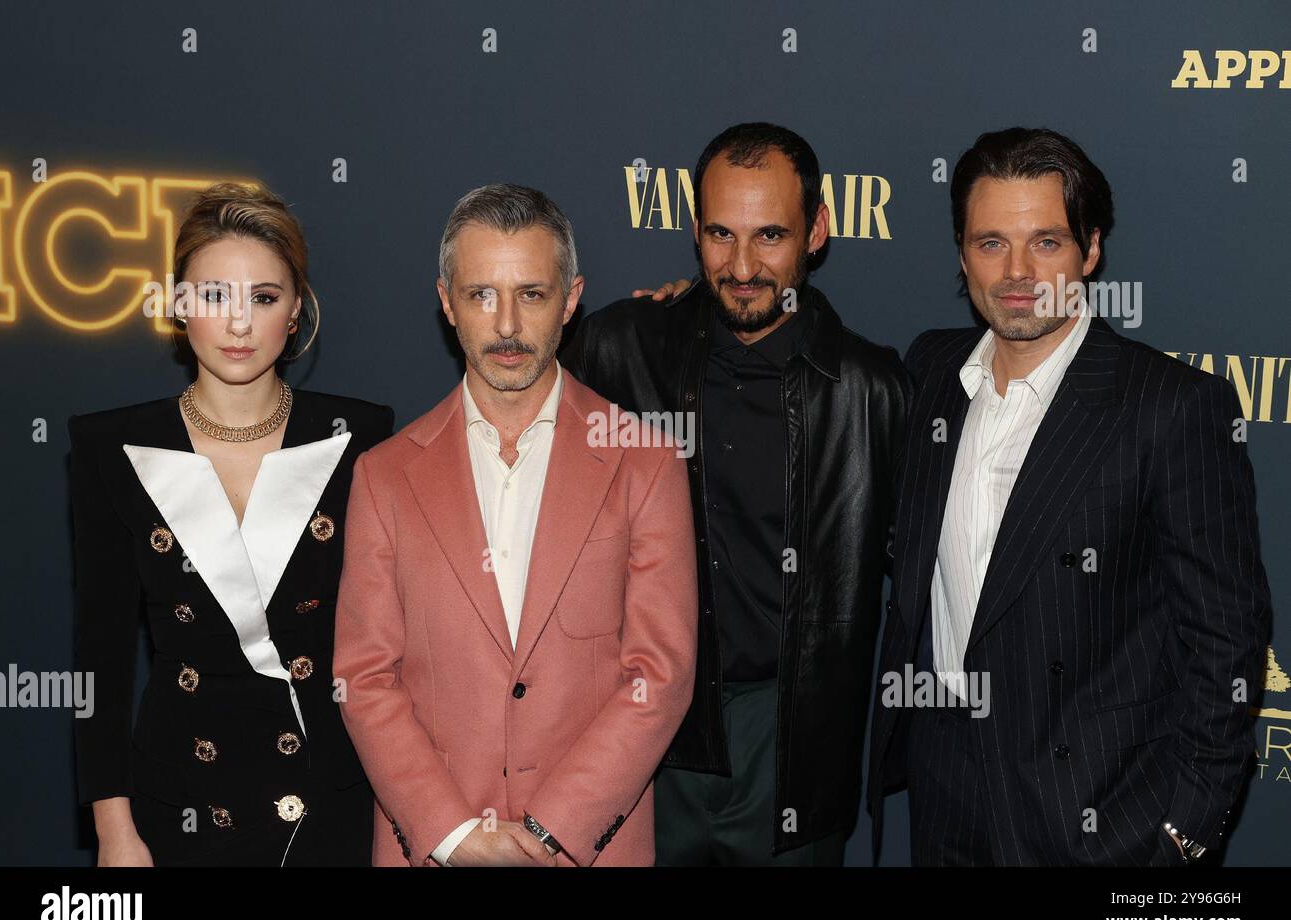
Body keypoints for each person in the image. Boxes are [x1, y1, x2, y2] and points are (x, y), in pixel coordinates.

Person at [866, 128, 1273, 865]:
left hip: (1098, 803)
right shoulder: (931, 370)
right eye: (991, 243)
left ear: (1091, 250)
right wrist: (680, 315)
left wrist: (1185, 831)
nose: (1018, 271)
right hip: (945, 780)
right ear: (962, 255)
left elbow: (1227, 639)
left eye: (1046, 242)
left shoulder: (1171, 407)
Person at [561, 123, 911, 865]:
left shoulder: (870, 391)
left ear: (817, 231)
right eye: (721, 233)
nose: (743, 266)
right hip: (642, 726)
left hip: (790, 739)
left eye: (771, 235)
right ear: (693, 230)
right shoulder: (620, 349)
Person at [334, 184, 697, 867]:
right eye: (480, 295)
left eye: (531, 293)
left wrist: (548, 833)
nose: (505, 324)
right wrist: (452, 835)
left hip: (588, 850)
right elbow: (365, 677)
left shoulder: (646, 462)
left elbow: (661, 675)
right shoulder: (384, 476)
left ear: (571, 298)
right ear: (446, 301)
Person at [69, 182, 394, 866]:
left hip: (328, 802)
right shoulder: (113, 450)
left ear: (296, 310)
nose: (239, 324)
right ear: (178, 306)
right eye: (215, 296)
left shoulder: (358, 437)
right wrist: (113, 830)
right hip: (177, 806)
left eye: (264, 298)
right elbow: (98, 660)